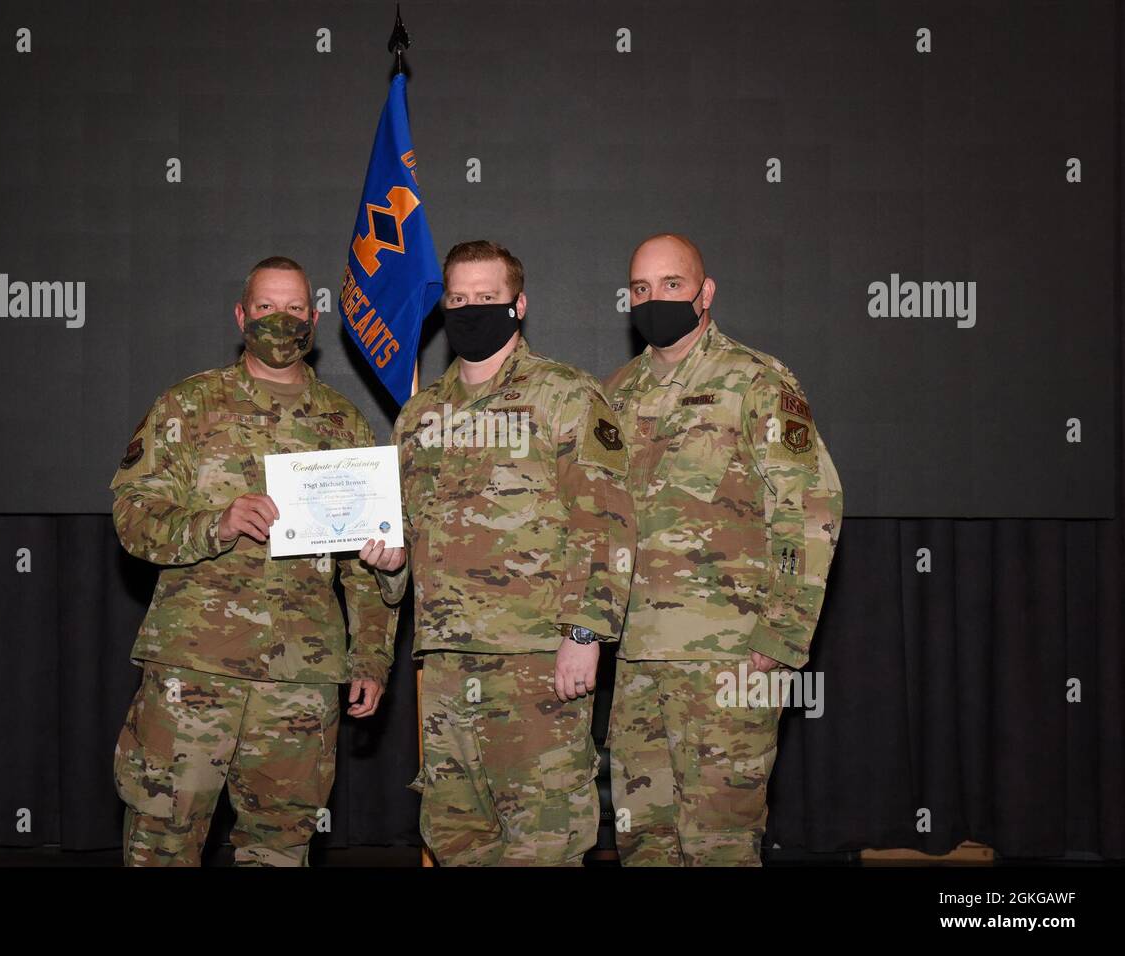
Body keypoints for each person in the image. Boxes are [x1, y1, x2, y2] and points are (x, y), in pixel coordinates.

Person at [110, 256, 400, 866]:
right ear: (242, 316)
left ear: (314, 320)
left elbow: (363, 569)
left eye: (295, 308)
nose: (280, 320)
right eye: (266, 308)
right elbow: (134, 518)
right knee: (162, 840)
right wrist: (213, 524)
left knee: (281, 848)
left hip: (301, 678)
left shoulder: (343, 423)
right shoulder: (189, 406)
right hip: (195, 670)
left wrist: (371, 656)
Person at [361, 240, 635, 866]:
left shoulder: (566, 395)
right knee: (459, 840)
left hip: (536, 660)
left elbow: (607, 520)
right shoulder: (420, 414)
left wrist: (585, 633)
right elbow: (404, 536)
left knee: (545, 839)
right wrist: (391, 565)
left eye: (487, 298)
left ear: (519, 305)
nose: (470, 309)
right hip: (446, 665)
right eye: (458, 299)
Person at [602, 233, 843, 866]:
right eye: (641, 290)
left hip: (731, 662)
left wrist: (781, 635)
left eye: (671, 285)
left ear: (705, 293)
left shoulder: (756, 381)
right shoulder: (616, 395)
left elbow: (810, 507)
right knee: (641, 838)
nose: (655, 300)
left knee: (720, 844)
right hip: (635, 661)